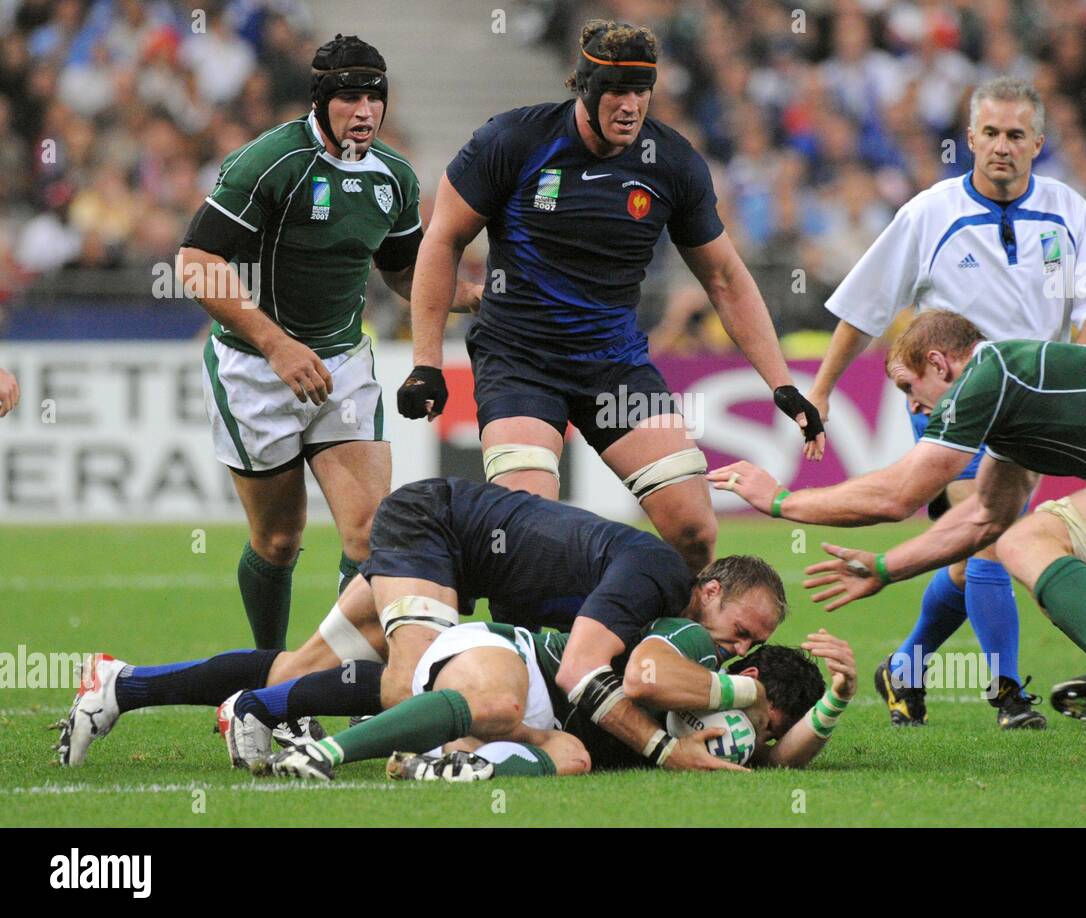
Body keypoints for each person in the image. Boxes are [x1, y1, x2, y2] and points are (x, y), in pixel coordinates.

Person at [729, 310, 1086, 764]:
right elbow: (981, 520)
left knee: (1027, 543)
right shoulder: (1009, 407)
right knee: (1037, 559)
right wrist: (883, 568)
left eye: (909, 387)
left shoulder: (989, 374)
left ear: (941, 363)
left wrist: (783, 502)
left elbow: (900, 494)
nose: (912, 407)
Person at [395, 19, 824, 576]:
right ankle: (532, 656)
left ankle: (666, 654)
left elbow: (725, 278)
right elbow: (442, 240)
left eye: (641, 92)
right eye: (616, 91)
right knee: (525, 528)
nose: (630, 106)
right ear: (585, 88)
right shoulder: (513, 141)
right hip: (520, 362)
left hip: (613, 367)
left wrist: (782, 384)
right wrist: (426, 363)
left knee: (695, 533)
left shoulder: (672, 163)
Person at [57, 478, 785, 774]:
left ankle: (123, 685)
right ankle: (304, 737)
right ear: (710, 589)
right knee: (410, 686)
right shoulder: (660, 573)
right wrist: (664, 748)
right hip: (435, 530)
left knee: (295, 672)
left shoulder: (661, 607)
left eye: (754, 645)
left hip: (450, 556)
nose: (740, 648)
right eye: (741, 627)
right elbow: (580, 674)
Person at [801, 76, 1086, 730]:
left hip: (1031, 403)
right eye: (990, 133)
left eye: (1015, 135)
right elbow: (866, 304)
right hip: (949, 404)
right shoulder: (930, 212)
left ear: (1038, 142)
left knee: (967, 551)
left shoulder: (1067, 209)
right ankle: (1008, 692)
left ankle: (905, 668)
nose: (1001, 146)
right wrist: (822, 387)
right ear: (970, 137)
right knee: (990, 539)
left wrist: (1076, 367)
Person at [177, 34, 481, 651]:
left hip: (343, 362)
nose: (365, 110)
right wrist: (276, 345)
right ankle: (266, 680)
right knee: (279, 540)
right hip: (253, 368)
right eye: (349, 96)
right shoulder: (268, 162)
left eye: (375, 96)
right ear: (321, 99)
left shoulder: (393, 176)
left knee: (371, 536)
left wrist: (477, 295)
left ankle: (336, 682)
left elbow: (404, 272)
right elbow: (195, 259)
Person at [386, 630, 856, 782]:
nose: (758, 742)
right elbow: (642, 678)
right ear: (749, 681)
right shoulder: (693, 645)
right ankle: (336, 747)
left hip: (547, 727)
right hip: (512, 659)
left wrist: (838, 699)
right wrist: (668, 750)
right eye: (765, 725)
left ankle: (439, 763)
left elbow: (777, 760)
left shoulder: (733, 732)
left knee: (574, 758)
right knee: (503, 707)